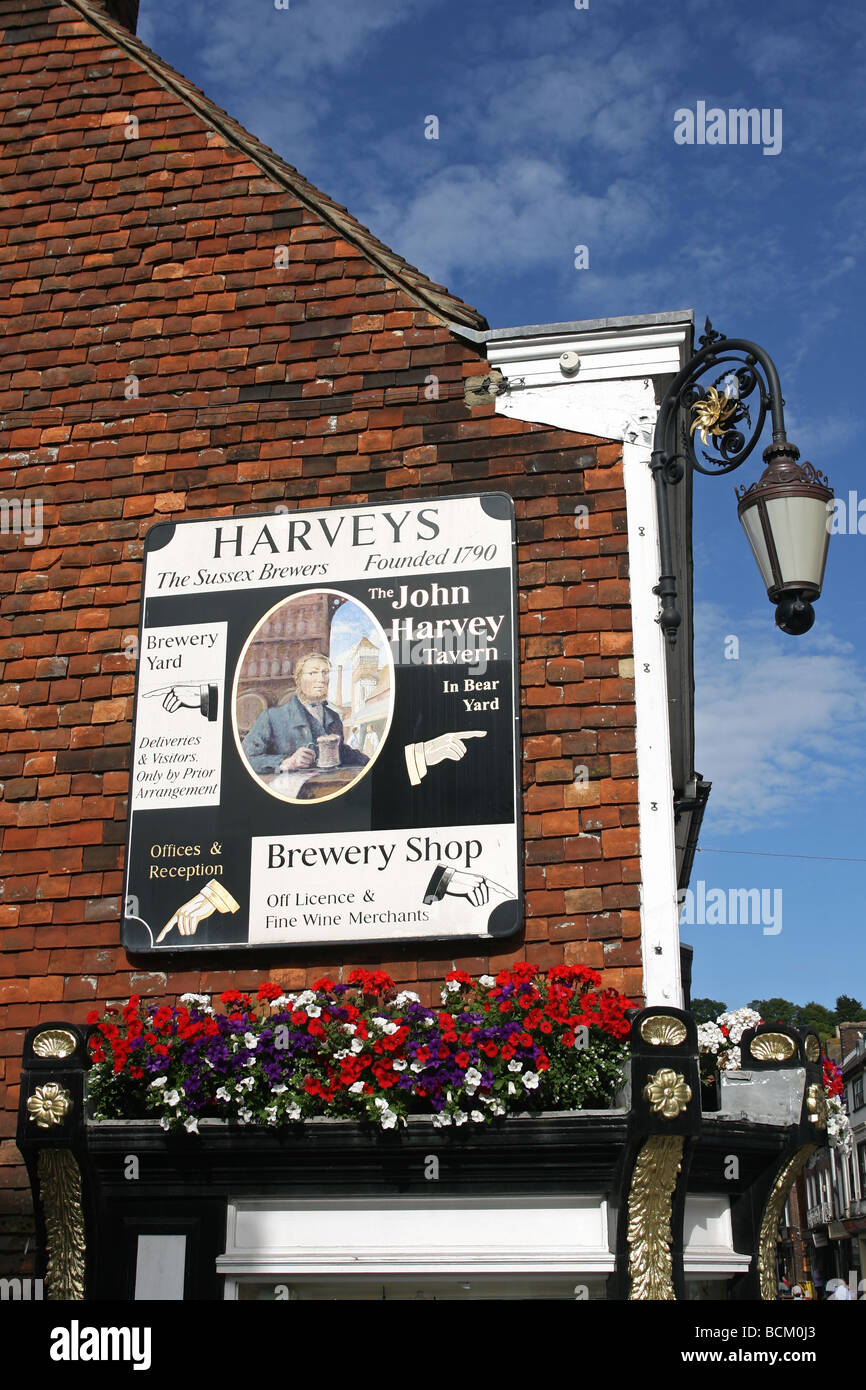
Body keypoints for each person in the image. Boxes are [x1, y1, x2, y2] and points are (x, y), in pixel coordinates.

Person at [241, 652, 368, 777]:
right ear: (298, 680)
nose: (321, 679)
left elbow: (340, 751)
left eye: (325, 673)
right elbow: (247, 757)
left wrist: (369, 762)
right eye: (313, 673)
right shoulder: (272, 717)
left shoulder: (333, 717)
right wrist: (287, 762)